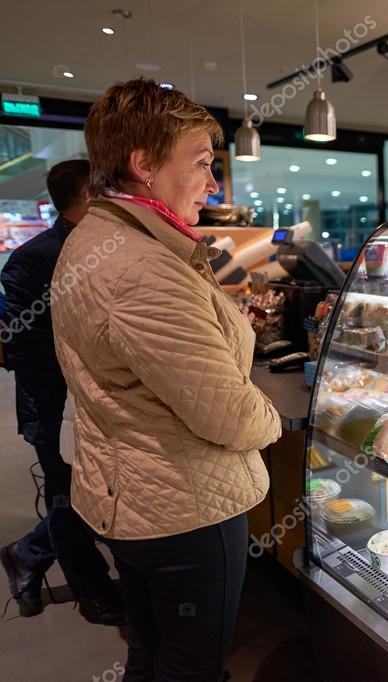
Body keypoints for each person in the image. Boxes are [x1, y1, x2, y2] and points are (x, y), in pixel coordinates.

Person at [51, 79, 281, 681]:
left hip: (131, 494)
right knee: (192, 665)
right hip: (186, 508)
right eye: (202, 164)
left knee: (151, 651)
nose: (213, 184)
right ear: (144, 164)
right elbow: (225, 413)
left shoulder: (97, 241)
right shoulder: (141, 268)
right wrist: (272, 418)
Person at [1, 159, 124, 625]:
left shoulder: (110, 247)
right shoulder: (34, 257)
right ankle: (93, 595)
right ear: (90, 197)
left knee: (84, 496)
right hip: (54, 406)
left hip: (96, 402)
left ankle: (27, 554)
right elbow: (23, 347)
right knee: (70, 499)